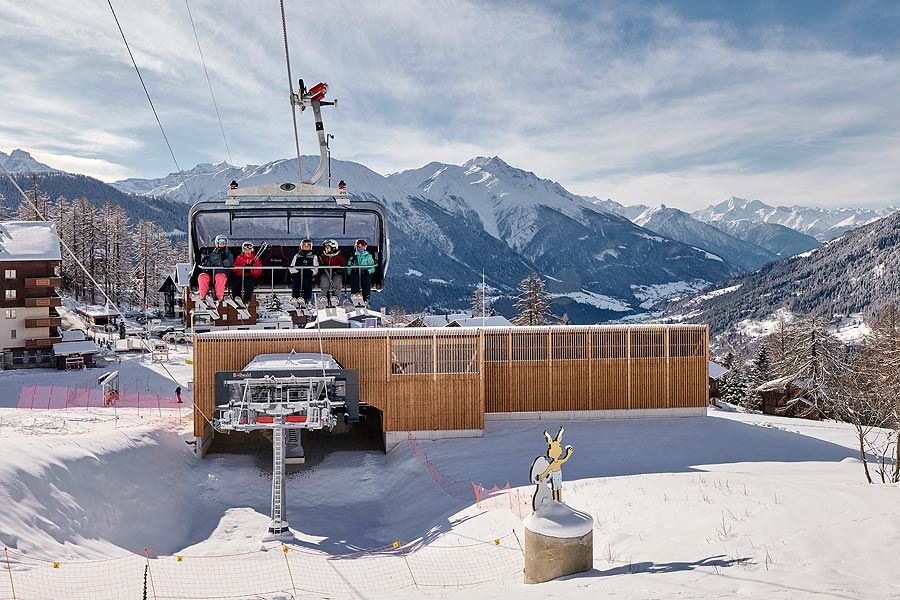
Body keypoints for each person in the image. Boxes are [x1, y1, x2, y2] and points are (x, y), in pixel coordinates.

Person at [197, 234, 233, 304]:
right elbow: (206, 266)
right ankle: (202, 297)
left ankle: (218, 298)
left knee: (220, 277)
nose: (222, 243)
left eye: (224, 241)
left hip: (222, 273)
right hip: (211, 273)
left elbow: (229, 266)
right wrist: (205, 259)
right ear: (217, 243)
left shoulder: (229, 254)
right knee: (202, 276)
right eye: (220, 241)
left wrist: (224, 258)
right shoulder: (212, 254)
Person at [289, 238, 319, 306]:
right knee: (296, 280)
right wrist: (297, 271)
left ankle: (306, 298)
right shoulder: (297, 256)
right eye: (304, 245)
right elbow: (291, 267)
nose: (306, 246)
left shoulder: (314, 256)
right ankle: (295, 297)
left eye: (308, 245)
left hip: (308, 274)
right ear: (301, 246)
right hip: (298, 273)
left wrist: (311, 272)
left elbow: (316, 268)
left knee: (308, 280)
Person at [347, 238, 376, 307]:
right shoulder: (353, 256)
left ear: (364, 247)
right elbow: (349, 267)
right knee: (354, 277)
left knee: (366, 280)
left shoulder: (368, 256)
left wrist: (367, 271)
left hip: (365, 273)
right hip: (356, 273)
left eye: (361, 246)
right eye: (358, 247)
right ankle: (354, 294)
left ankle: (366, 296)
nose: (359, 248)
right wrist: (350, 269)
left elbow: (372, 268)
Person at [318, 239, 346, 307]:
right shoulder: (323, 256)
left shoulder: (339, 256)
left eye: (328, 248)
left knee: (338, 280)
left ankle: (336, 297)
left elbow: (343, 266)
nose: (326, 249)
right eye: (325, 248)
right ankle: (324, 296)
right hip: (326, 273)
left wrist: (339, 270)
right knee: (324, 279)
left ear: (333, 248)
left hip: (336, 274)